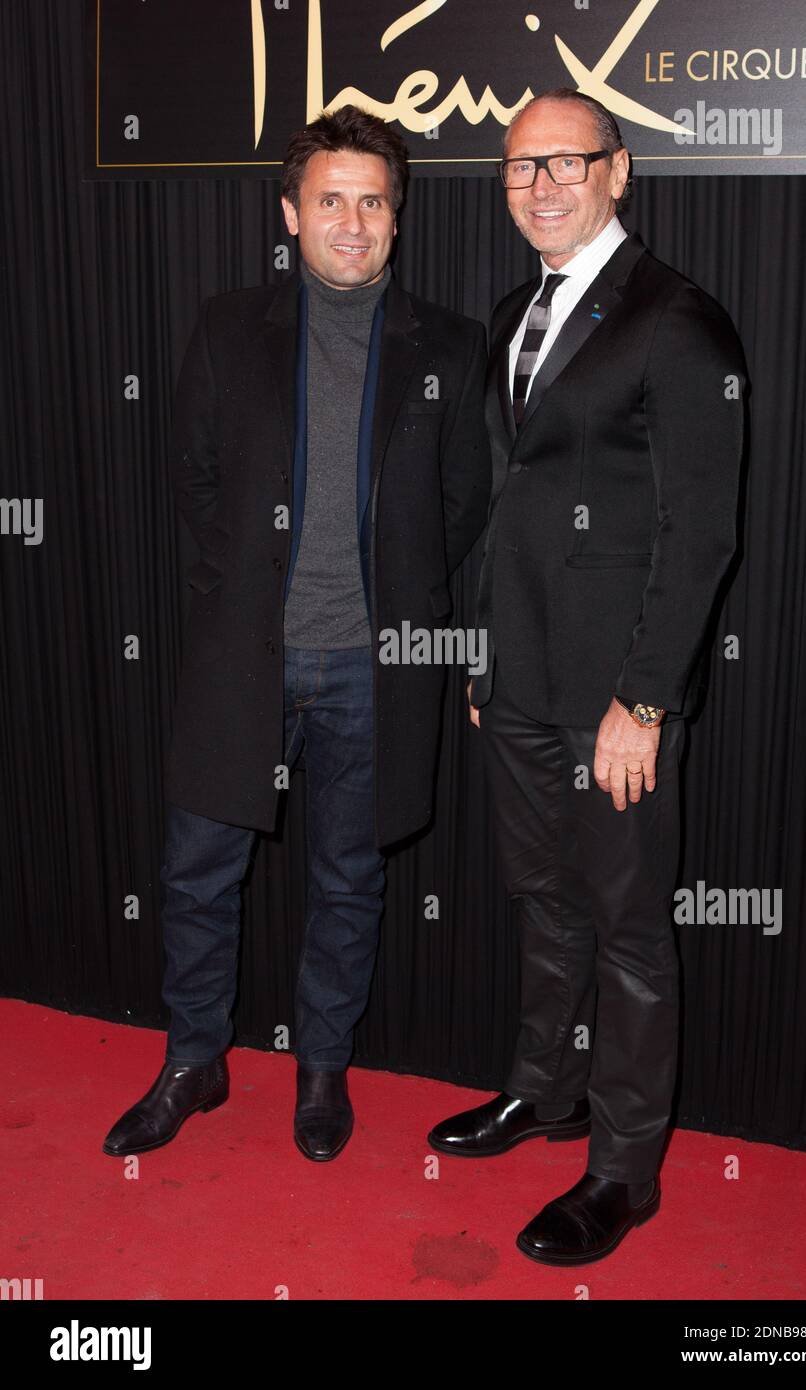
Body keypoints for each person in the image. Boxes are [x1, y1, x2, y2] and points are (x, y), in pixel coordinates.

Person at [103, 105, 490, 1164]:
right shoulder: (229, 327)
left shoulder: (450, 347)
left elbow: (464, 504)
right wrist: (237, 595)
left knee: (348, 877)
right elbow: (193, 478)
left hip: (375, 672)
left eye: (373, 201)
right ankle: (195, 1059)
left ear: (396, 220)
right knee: (195, 868)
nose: (352, 221)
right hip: (247, 655)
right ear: (290, 211)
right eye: (331, 199)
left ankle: (321, 1065)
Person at [428, 88, 747, 1265]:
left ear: (619, 171)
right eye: (518, 168)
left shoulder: (677, 321)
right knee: (543, 903)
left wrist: (645, 699)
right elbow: (503, 507)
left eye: (565, 162)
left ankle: (622, 1169)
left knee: (624, 933)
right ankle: (542, 1091)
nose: (540, 185)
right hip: (516, 679)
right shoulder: (515, 308)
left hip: (613, 699)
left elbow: (701, 532)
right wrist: (483, 645)